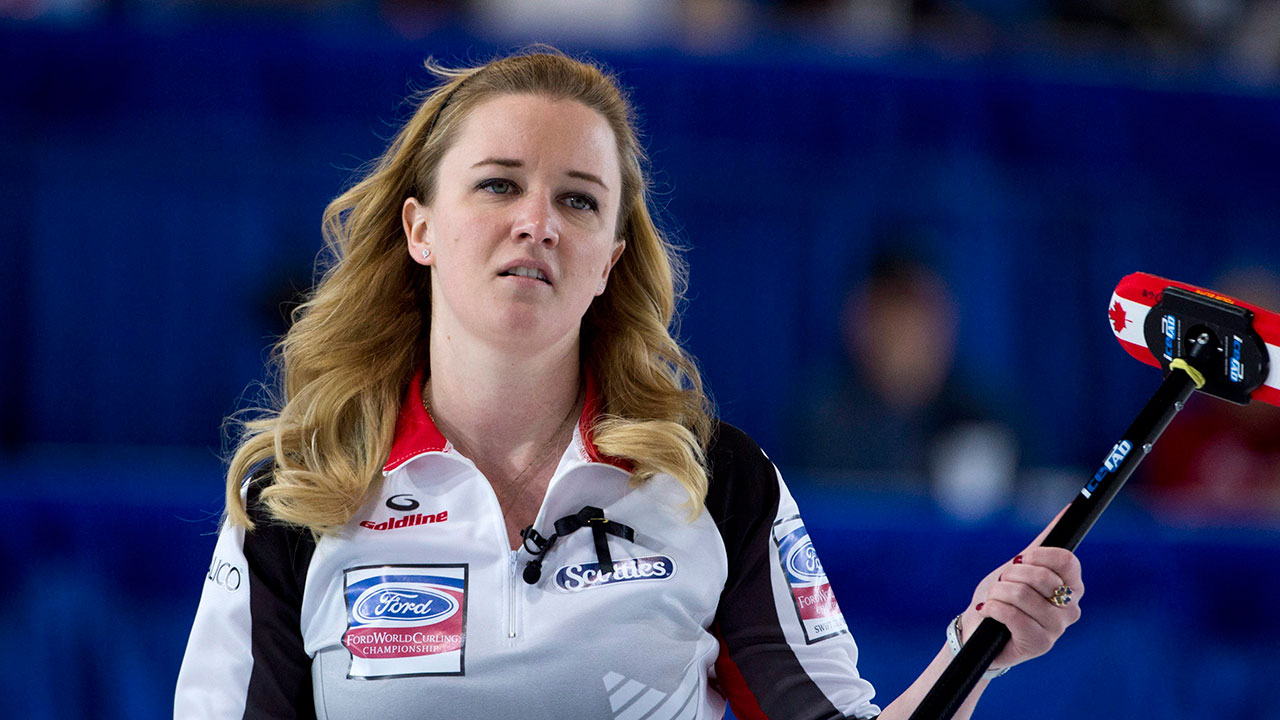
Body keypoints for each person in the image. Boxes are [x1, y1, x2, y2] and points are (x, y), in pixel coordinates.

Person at [174, 48, 1084, 719]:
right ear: (420, 229)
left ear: (610, 259)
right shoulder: (295, 492)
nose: (537, 223)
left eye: (577, 199)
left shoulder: (714, 482)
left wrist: (976, 647)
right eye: (498, 185)